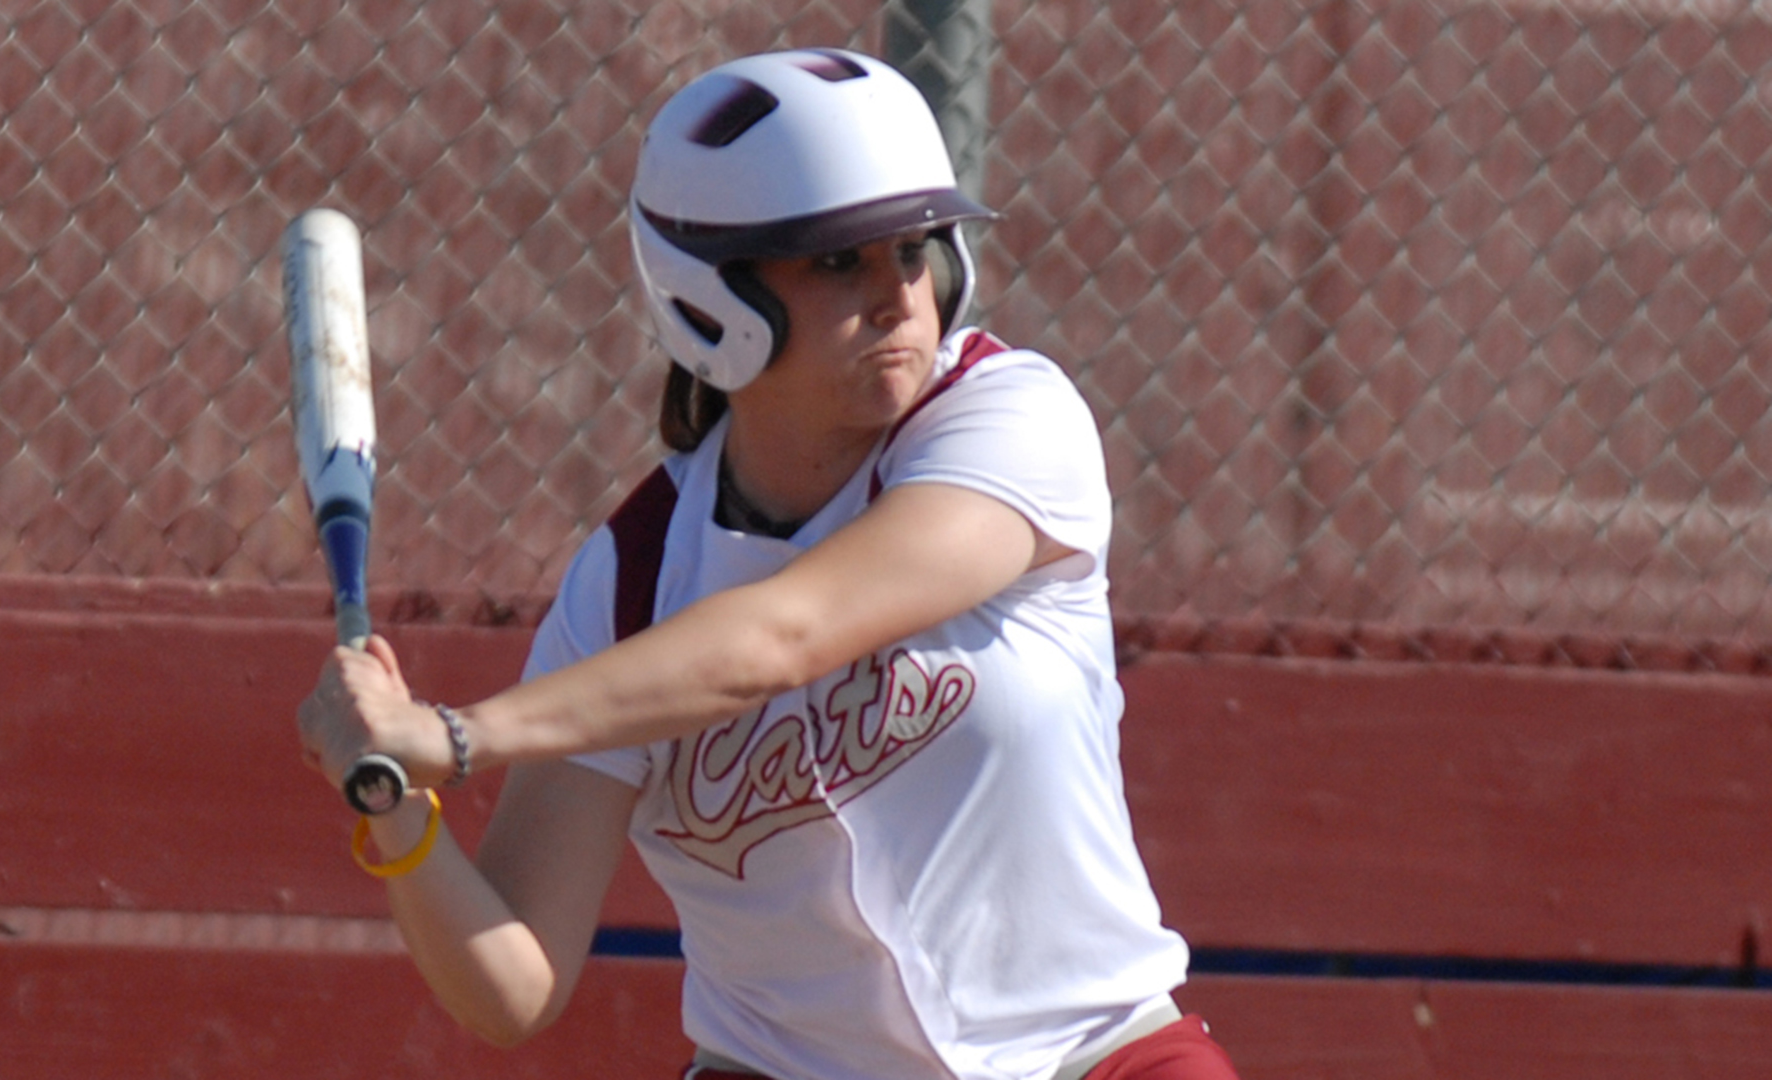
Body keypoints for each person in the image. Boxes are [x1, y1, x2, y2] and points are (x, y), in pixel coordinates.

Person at [297, 47, 1242, 1080]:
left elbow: (783, 635)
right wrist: (394, 805)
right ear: (710, 299)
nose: (898, 296)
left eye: (914, 249)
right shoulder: (632, 584)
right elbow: (513, 988)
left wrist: (457, 735)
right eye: (837, 262)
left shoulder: (1007, 419)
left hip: (1094, 1057)